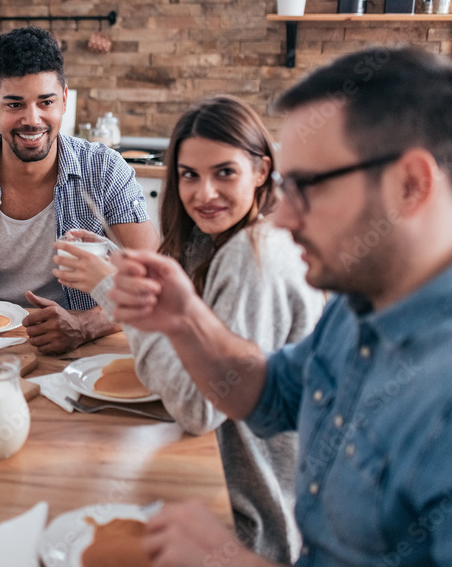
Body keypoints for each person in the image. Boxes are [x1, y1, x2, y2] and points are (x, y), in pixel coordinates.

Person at [106, 47, 452, 566]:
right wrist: (184, 319)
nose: (283, 217)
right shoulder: (357, 307)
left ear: (410, 185)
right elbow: (271, 393)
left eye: (309, 187)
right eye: (287, 186)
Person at [55, 95, 324, 562]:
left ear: (261, 170)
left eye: (225, 172)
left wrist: (114, 292)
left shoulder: (255, 255)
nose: (204, 193)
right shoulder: (225, 236)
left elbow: (198, 409)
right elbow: (189, 309)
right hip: (221, 477)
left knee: (67, 510)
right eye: (189, 175)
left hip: (253, 522)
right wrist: (114, 258)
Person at [0, 27, 160, 354]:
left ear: (64, 100)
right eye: (15, 104)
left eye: (45, 102)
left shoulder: (104, 170)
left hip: (76, 345)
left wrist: (86, 325)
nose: (32, 120)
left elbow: (153, 283)